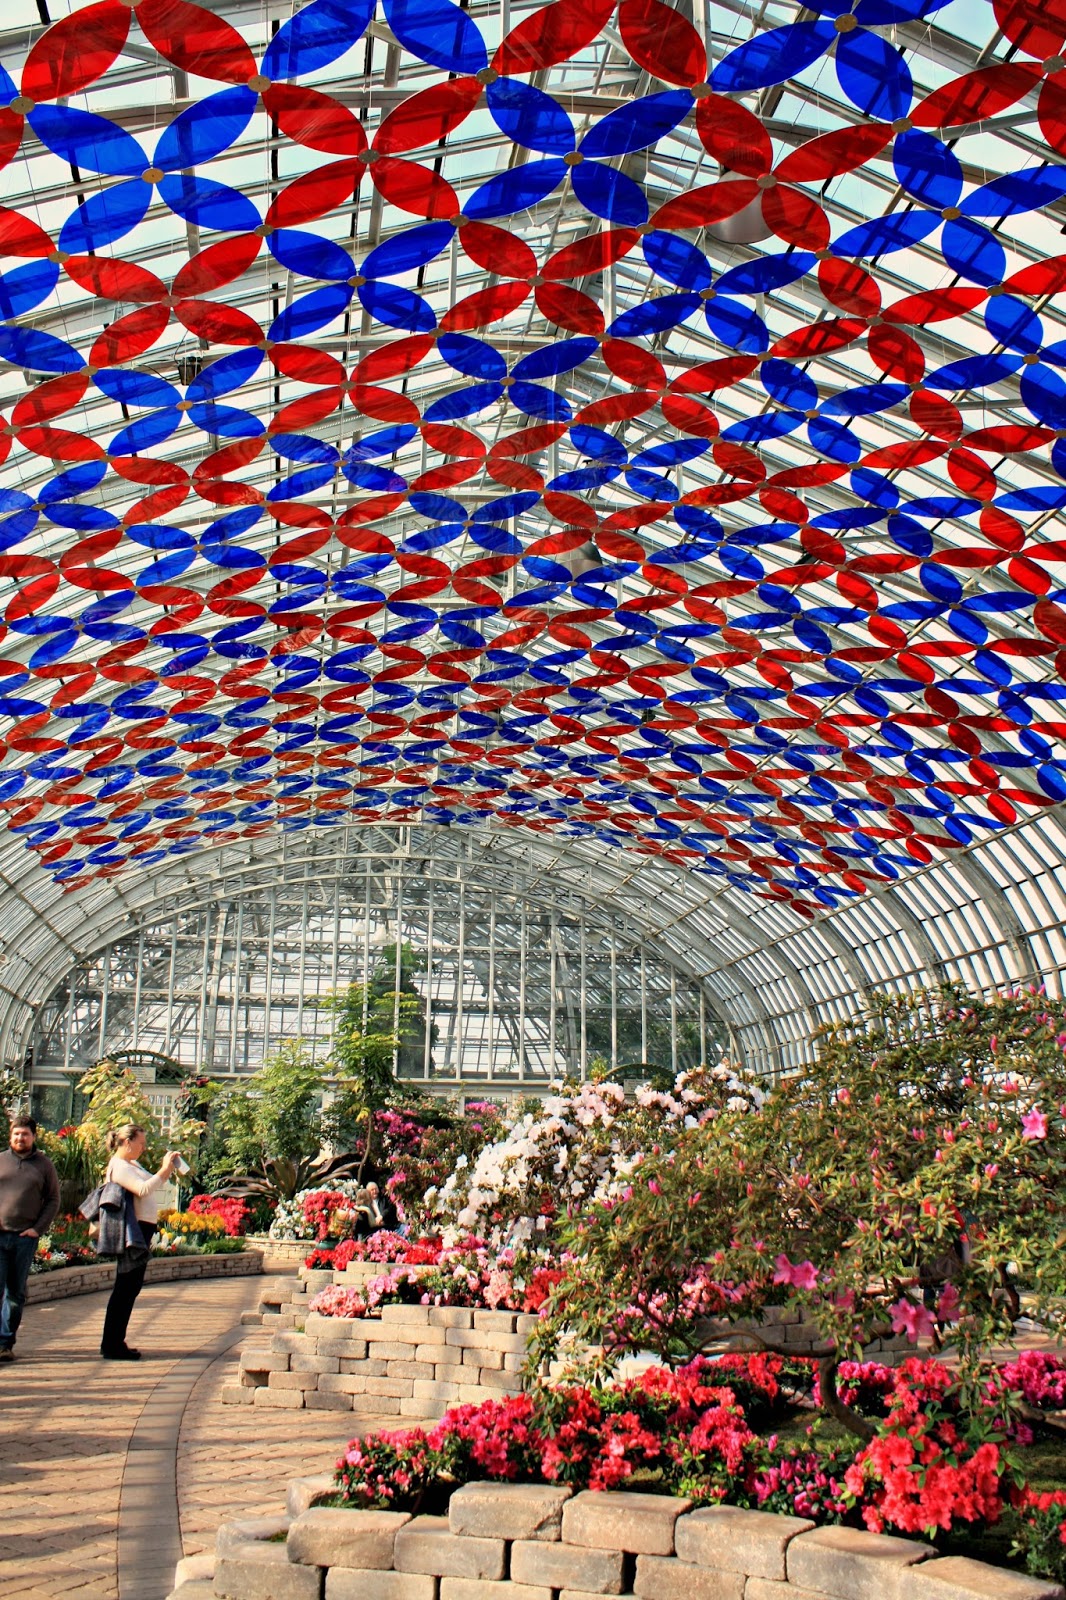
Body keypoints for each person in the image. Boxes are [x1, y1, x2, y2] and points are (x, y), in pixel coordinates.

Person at [99, 1124, 181, 1361]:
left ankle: (115, 1340)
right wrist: (164, 1170)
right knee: (125, 1286)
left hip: (140, 1229)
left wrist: (165, 1170)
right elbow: (144, 1189)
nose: (144, 1148)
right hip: (130, 1231)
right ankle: (112, 1343)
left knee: (130, 1286)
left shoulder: (132, 1165)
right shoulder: (119, 1166)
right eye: (141, 1143)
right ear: (127, 1142)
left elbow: (153, 1184)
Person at [0, 1116, 60, 1362]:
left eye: (24, 1134)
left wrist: (37, 1229)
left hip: (24, 1238)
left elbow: (53, 1200)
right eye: (16, 1134)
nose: (20, 1138)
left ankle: (6, 1344)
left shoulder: (44, 1165)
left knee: (15, 1293)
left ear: (33, 1137)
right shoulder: (1, 1161)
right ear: (10, 1136)